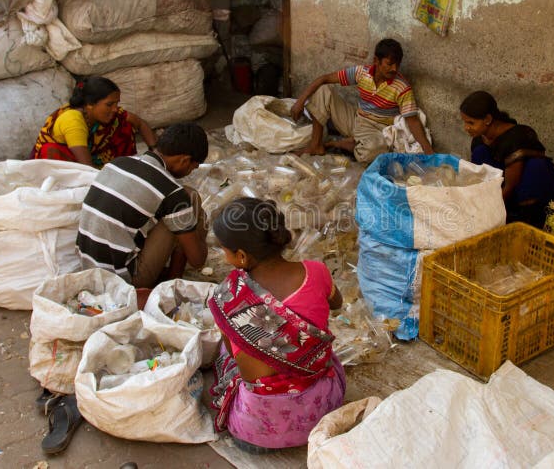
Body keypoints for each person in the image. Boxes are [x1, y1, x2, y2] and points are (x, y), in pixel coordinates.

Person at [208, 197, 345, 453]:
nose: (223, 256)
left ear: (241, 256)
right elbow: (336, 302)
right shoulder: (317, 272)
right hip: (323, 409)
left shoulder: (227, 296)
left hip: (258, 432)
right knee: (315, 345)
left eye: (223, 250)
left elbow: (242, 364)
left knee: (228, 351)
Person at [76, 122, 209, 288]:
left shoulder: (117, 163)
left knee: (177, 208)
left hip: (89, 268)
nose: (191, 172)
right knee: (189, 199)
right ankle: (171, 284)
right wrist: (201, 229)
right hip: (124, 281)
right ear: (184, 160)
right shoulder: (172, 192)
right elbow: (197, 261)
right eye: (193, 167)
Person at [290, 38, 434, 162]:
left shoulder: (402, 87)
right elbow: (324, 79)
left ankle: (348, 144)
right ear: (376, 61)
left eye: (397, 64)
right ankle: (316, 145)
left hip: (376, 129)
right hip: (355, 119)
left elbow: (412, 120)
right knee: (323, 90)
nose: (394, 69)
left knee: (375, 150)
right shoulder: (361, 73)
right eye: (389, 64)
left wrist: (429, 152)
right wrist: (300, 102)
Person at [459, 90, 554, 228]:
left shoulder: (518, 138)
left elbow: (510, 186)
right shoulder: (480, 139)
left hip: (525, 191)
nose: (466, 128)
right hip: (503, 191)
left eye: (471, 123)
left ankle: (529, 223)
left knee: (535, 167)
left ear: (488, 120)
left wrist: (488, 213)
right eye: (465, 122)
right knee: (480, 152)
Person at [31, 76, 157, 167]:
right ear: (90, 104)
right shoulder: (72, 119)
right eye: (109, 104)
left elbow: (139, 123)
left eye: (116, 103)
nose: (115, 109)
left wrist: (156, 153)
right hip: (67, 167)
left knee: (123, 124)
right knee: (51, 150)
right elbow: (86, 167)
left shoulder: (105, 115)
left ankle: (121, 168)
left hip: (89, 162)